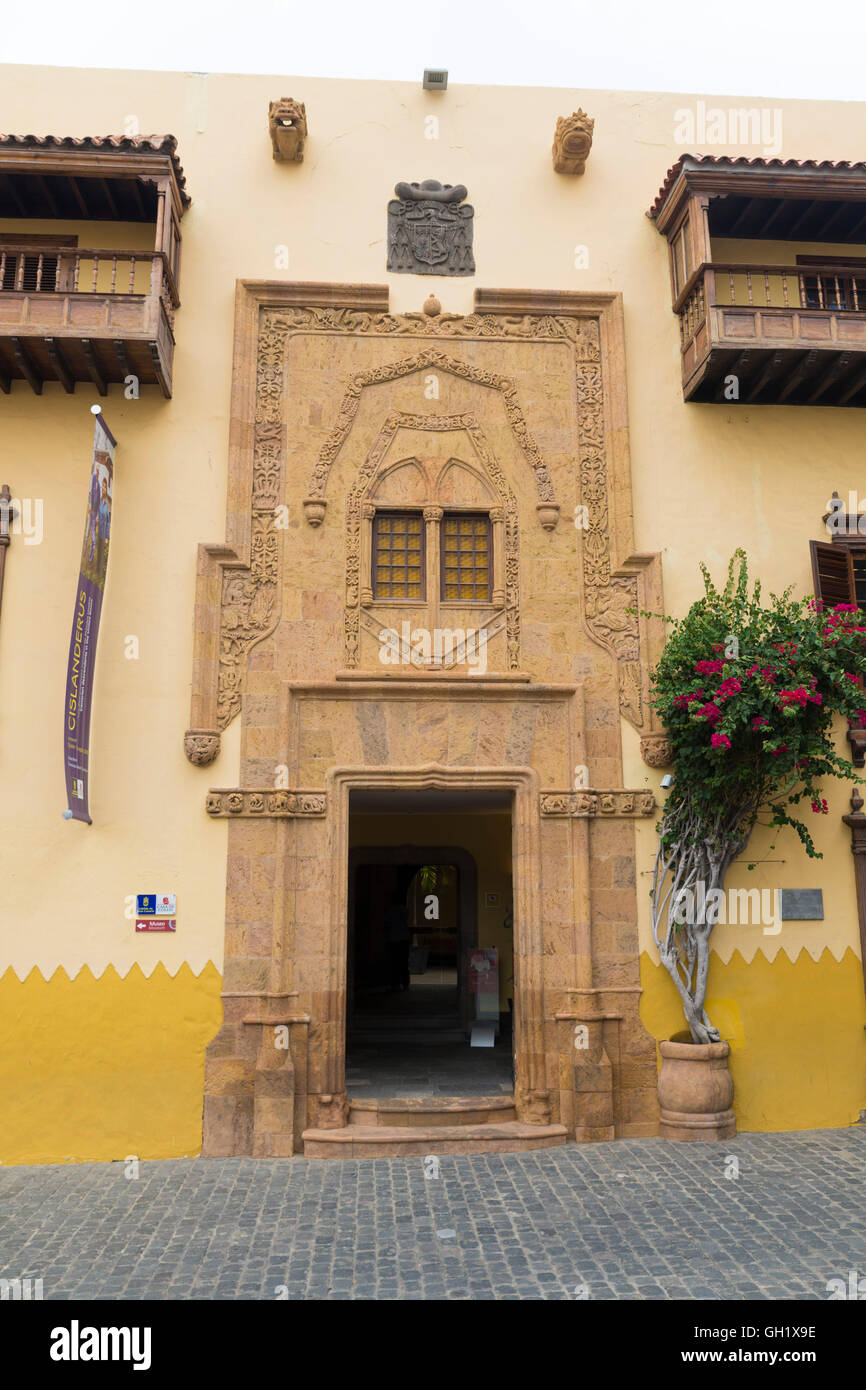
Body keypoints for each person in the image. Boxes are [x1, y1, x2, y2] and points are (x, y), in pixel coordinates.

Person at [384, 894, 410, 992]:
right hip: (404, 939)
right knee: (404, 962)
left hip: (393, 939)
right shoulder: (404, 910)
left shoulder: (390, 911)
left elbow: (387, 923)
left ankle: (395, 984)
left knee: (394, 963)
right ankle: (405, 984)